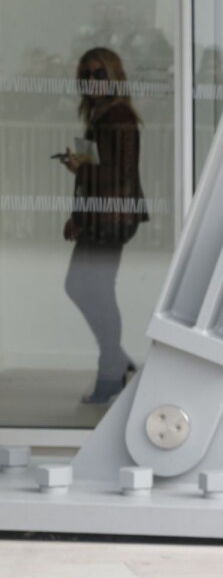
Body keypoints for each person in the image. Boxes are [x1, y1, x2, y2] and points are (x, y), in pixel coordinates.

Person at [60, 47, 149, 404]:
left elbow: (121, 175)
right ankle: (115, 359)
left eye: (99, 74)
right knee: (83, 287)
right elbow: (96, 174)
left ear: (114, 76)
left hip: (113, 218)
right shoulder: (100, 115)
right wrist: (78, 215)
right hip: (99, 215)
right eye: (86, 75)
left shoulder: (121, 117)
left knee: (91, 288)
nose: (92, 81)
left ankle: (111, 368)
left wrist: (82, 168)